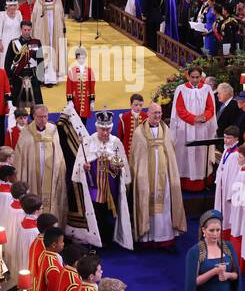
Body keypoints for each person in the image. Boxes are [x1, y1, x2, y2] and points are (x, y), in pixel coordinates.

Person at [71, 111, 133, 250]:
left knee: (109, 214)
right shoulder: (88, 142)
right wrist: (84, 168)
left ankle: (108, 239)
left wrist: (117, 166)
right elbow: (79, 165)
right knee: (96, 214)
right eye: (102, 129)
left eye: (108, 129)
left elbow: (122, 165)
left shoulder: (116, 142)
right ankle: (95, 242)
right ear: (97, 127)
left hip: (111, 189)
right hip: (95, 187)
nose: (105, 133)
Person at [130, 103, 187, 248]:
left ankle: (166, 238)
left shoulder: (165, 130)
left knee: (166, 204)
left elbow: (171, 151)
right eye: (155, 113)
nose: (158, 116)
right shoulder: (139, 132)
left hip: (164, 176)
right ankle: (147, 237)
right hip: (147, 178)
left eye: (160, 113)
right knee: (147, 203)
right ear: (147, 113)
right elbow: (136, 156)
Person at [14, 104, 68, 219]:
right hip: (33, 172)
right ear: (33, 116)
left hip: (50, 171)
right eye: (40, 117)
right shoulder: (26, 132)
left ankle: (50, 221)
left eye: (45, 116)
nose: (43, 120)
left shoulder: (53, 130)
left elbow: (58, 152)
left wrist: (59, 168)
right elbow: (20, 156)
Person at [170, 66, 216, 192]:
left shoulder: (207, 89)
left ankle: (201, 182)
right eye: (193, 77)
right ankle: (185, 183)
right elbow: (179, 109)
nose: (195, 80)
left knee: (200, 154)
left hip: (202, 128)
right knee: (185, 154)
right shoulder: (181, 89)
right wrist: (193, 118)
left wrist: (204, 117)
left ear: (201, 77)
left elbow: (211, 108)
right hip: (186, 128)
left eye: (197, 77)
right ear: (188, 76)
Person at [31, 0, 68, 84]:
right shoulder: (38, 3)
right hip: (42, 33)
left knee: (54, 51)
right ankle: (43, 76)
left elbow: (61, 17)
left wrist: (63, 30)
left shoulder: (58, 2)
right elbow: (34, 19)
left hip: (55, 32)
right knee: (44, 52)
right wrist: (33, 32)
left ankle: (53, 76)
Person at [5, 21, 44, 111]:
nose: (27, 32)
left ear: (31, 29)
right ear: (21, 29)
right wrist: (9, 78)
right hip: (18, 76)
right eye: (25, 29)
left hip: (33, 75)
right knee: (19, 107)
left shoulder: (36, 42)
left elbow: (40, 61)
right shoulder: (14, 43)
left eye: (28, 30)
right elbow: (8, 62)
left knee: (36, 106)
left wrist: (41, 78)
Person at [65, 47, 95, 120]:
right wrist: (69, 101)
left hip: (86, 101)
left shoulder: (90, 70)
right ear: (76, 59)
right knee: (75, 120)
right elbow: (69, 86)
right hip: (75, 100)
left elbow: (92, 87)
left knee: (84, 120)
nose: (81, 60)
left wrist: (92, 101)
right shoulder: (71, 71)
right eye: (79, 58)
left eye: (83, 58)